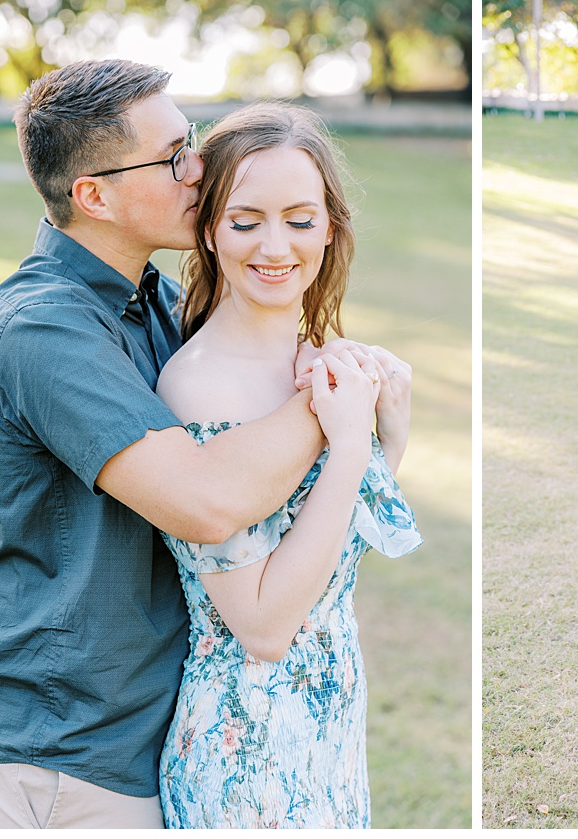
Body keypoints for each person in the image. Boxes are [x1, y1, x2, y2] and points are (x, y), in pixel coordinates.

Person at [0, 60, 392, 827]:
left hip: (153, 732)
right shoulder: (42, 328)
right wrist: (340, 396)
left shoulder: (151, 300)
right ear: (92, 194)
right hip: (71, 754)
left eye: (188, 141)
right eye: (170, 158)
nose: (196, 169)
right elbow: (207, 499)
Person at [154, 102, 422, 828]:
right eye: (246, 221)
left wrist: (387, 430)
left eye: (300, 219)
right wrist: (351, 445)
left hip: (327, 723)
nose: (275, 246)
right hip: (249, 746)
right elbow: (265, 625)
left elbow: (333, 549)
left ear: (330, 226)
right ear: (209, 230)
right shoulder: (200, 385)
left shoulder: (310, 357)